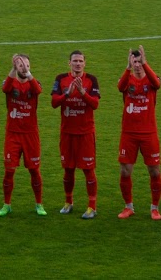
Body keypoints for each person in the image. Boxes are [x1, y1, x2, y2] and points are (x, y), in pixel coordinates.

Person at [116, 46, 161, 219]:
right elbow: (120, 87)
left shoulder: (151, 80)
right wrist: (127, 67)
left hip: (149, 133)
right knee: (125, 171)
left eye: (139, 62)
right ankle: (128, 207)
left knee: (154, 171)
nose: (137, 65)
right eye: (134, 62)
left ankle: (155, 208)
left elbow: (157, 84)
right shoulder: (127, 79)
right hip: (128, 134)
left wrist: (145, 62)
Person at [52, 50, 100, 218]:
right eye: (75, 61)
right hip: (67, 133)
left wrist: (82, 93)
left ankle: (92, 206)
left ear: (84, 63)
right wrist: (67, 92)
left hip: (85, 133)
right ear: (69, 63)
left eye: (80, 61)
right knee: (68, 170)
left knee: (88, 170)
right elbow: (53, 103)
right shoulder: (61, 79)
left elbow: (95, 105)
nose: (78, 63)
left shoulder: (91, 80)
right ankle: (68, 202)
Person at [0, 53, 46, 216]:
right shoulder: (10, 83)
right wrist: (13, 69)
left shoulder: (34, 83)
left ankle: (39, 204)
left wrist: (28, 73)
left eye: (26, 64)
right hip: (12, 134)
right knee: (9, 170)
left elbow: (38, 90)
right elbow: (5, 89)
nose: (23, 67)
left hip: (31, 135)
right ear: (15, 67)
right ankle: (7, 204)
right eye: (20, 65)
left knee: (34, 170)